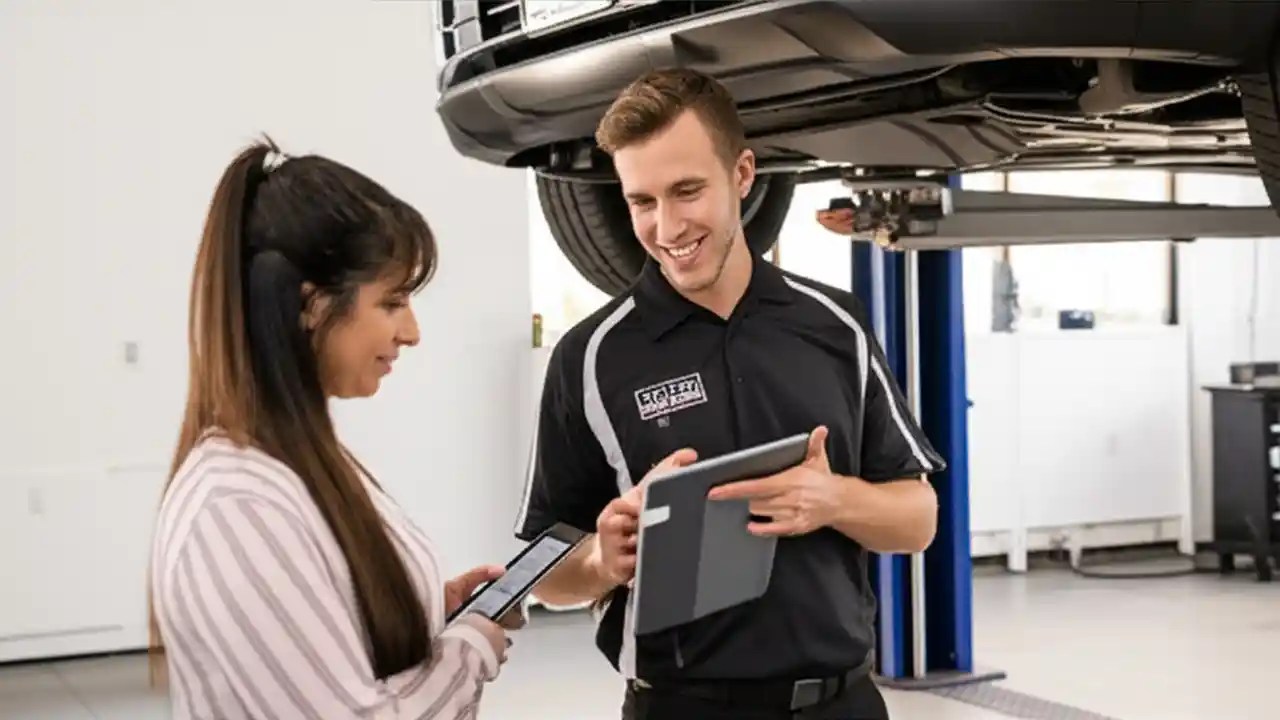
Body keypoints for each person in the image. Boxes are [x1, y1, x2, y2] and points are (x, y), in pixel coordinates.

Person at [515, 69, 946, 720]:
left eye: (688, 190)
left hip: (841, 705)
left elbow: (918, 519)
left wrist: (832, 500)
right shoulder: (591, 356)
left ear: (743, 174)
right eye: (642, 201)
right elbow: (536, 571)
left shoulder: (835, 324)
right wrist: (602, 559)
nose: (667, 228)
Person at [148, 138, 514, 719]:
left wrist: (428, 613)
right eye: (392, 302)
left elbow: (327, 638)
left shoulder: (299, 465)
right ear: (312, 307)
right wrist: (468, 649)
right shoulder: (236, 506)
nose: (412, 332)